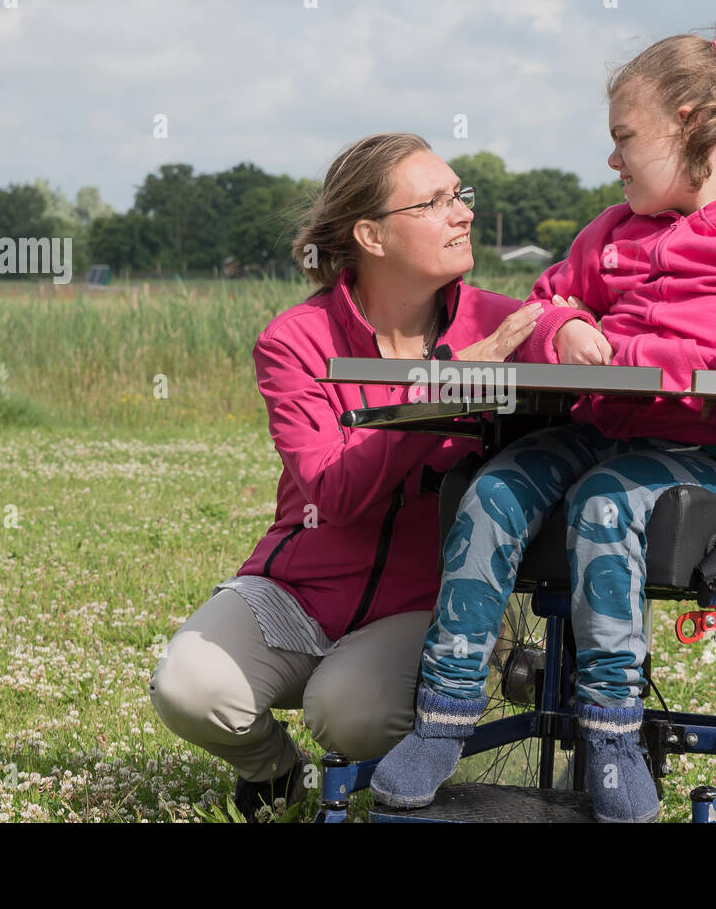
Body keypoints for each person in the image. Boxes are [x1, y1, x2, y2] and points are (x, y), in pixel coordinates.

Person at [370, 21, 716, 822]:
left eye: (624, 137)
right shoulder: (611, 233)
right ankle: (443, 718)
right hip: (603, 427)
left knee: (608, 500)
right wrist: (564, 330)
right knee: (494, 487)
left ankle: (613, 732)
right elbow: (547, 300)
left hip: (715, 454)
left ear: (691, 121)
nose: (612, 160)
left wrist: (715, 357)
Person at [147, 132, 575, 821]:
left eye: (459, 194)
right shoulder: (295, 340)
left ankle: (382, 753)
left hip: (424, 605)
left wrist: (570, 322)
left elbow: (565, 320)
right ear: (371, 234)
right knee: (188, 687)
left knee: (345, 713)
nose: (462, 212)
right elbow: (336, 492)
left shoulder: (502, 322)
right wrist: (444, 392)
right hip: (297, 587)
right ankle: (274, 771)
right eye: (435, 202)